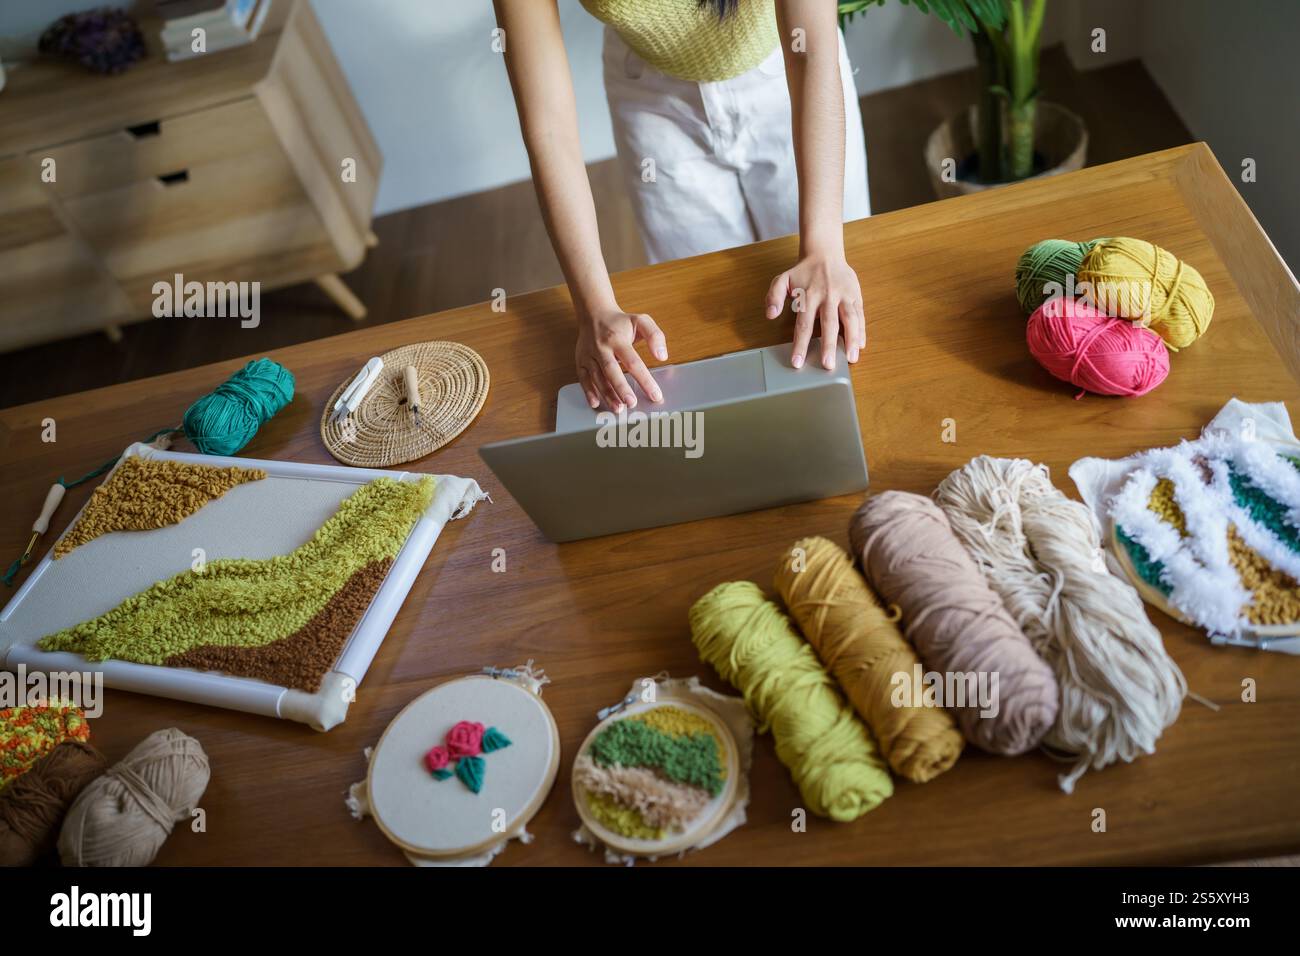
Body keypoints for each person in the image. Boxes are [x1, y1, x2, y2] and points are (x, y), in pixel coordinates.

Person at [494, 0, 870, 411]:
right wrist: (594, 309)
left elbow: (809, 48)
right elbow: (548, 126)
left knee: (833, 311)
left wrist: (823, 248)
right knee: (709, 327)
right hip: (653, 97)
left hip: (787, 67)